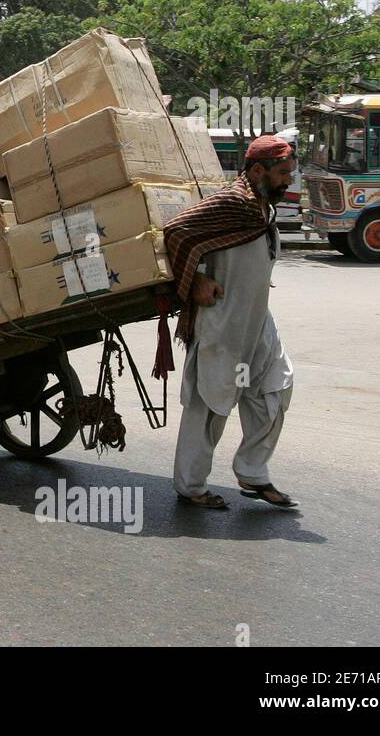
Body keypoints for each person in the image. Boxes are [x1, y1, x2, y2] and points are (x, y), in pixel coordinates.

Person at [163, 134, 298, 510]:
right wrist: (195, 283)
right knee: (211, 403)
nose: (289, 180)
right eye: (283, 173)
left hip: (257, 319)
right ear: (258, 170)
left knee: (275, 387)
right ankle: (190, 485)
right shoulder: (232, 201)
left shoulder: (260, 203)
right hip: (223, 321)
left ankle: (253, 472)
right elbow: (176, 231)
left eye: (291, 172)